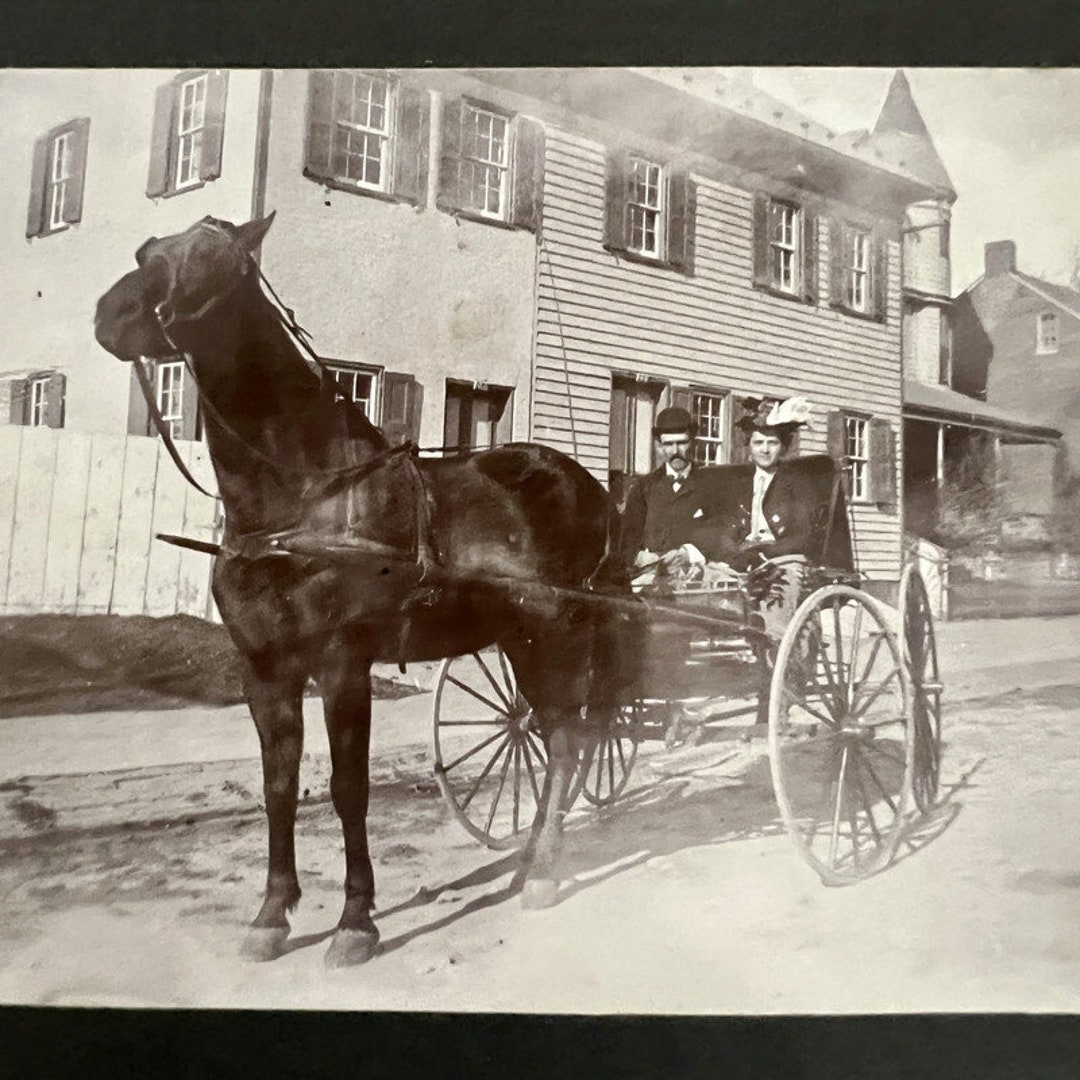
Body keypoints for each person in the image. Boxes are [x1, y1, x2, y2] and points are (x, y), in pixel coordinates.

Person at [616, 406, 728, 587]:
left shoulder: (712, 486)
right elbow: (626, 541)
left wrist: (688, 553)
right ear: (659, 446)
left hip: (695, 582)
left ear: (693, 442)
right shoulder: (644, 487)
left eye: (682, 443)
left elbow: (722, 535)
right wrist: (639, 557)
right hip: (649, 580)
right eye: (668, 444)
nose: (675, 450)